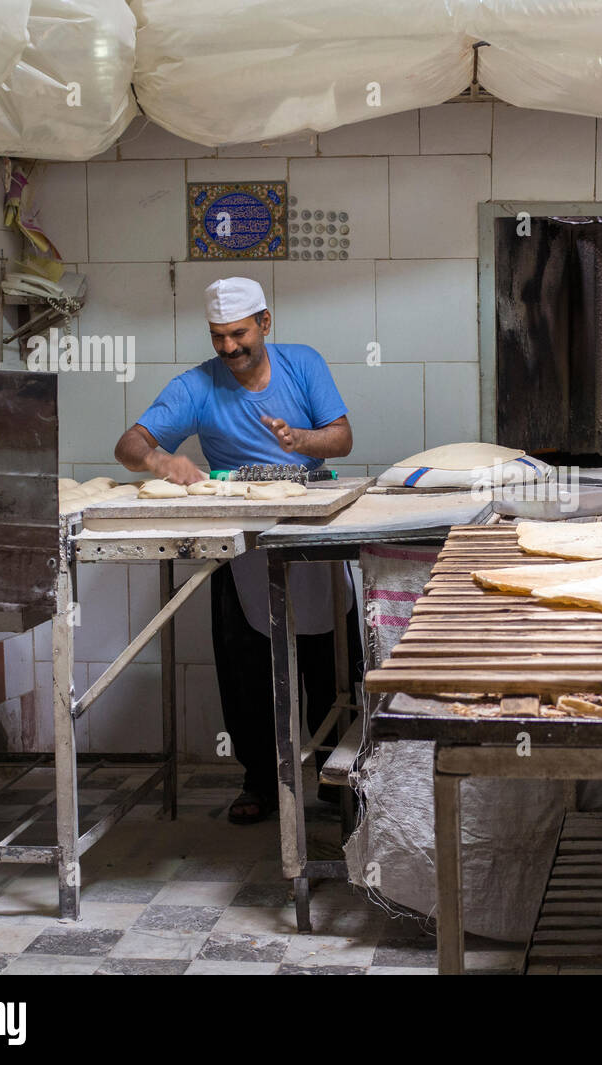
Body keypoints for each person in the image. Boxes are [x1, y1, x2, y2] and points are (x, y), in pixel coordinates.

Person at [114, 277, 361, 824]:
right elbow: (129, 445)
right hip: (241, 535)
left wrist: (299, 440)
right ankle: (259, 779)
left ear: (265, 323)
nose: (228, 348)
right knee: (246, 661)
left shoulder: (303, 364)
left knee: (332, 659)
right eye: (218, 337)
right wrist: (162, 463)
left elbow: (341, 438)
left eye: (239, 334)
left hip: (310, 527)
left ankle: (337, 776)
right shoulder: (197, 386)